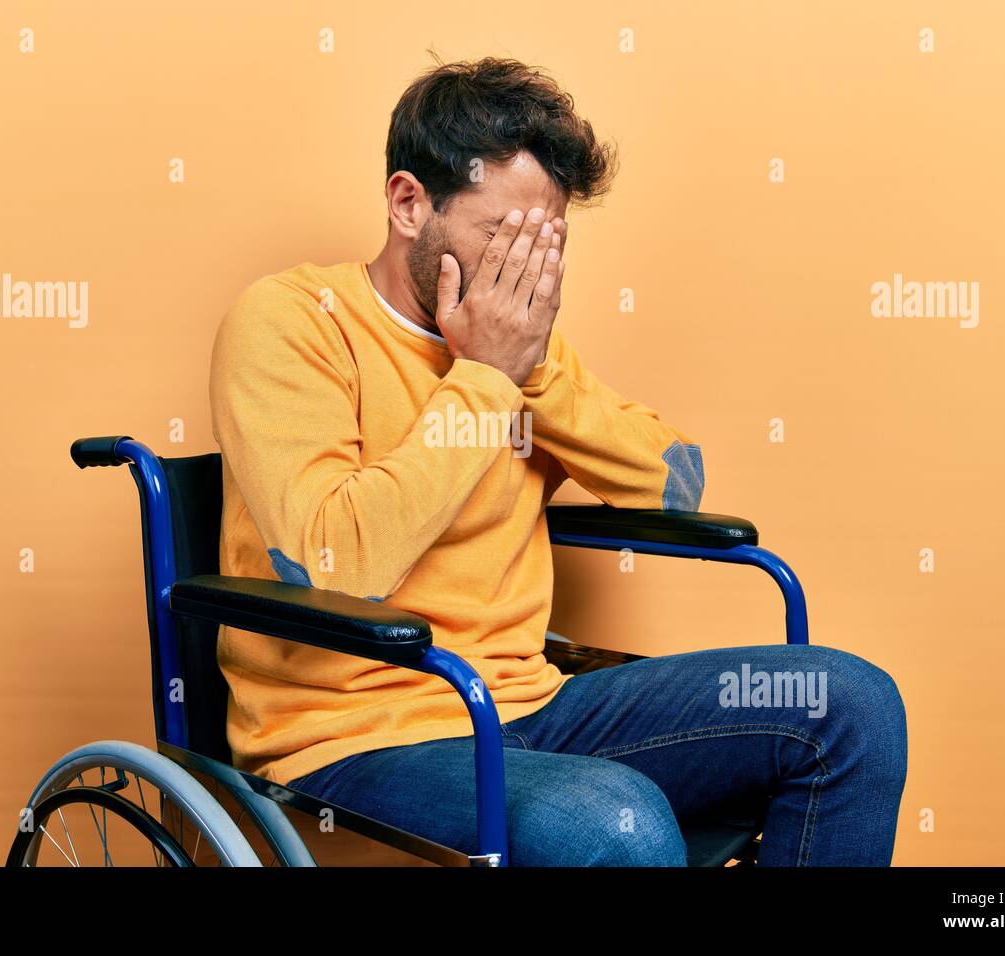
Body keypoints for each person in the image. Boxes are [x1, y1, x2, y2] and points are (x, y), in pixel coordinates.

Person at [208, 55, 907, 866]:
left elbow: (675, 482)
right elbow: (337, 558)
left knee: (850, 702)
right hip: (358, 733)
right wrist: (483, 379)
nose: (527, 272)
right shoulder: (292, 323)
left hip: (531, 705)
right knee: (612, 820)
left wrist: (527, 372)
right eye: (506, 237)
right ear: (408, 203)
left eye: (547, 244)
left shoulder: (528, 357)